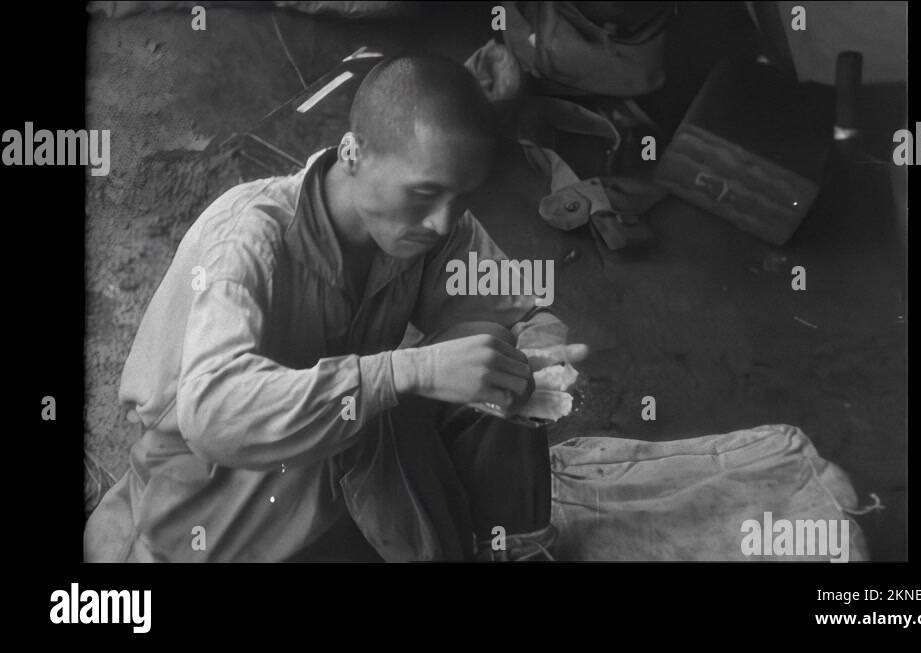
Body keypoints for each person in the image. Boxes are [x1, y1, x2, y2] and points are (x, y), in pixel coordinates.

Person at [83, 53, 587, 562]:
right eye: (425, 194)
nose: (441, 221)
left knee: (494, 351)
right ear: (352, 153)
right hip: (215, 475)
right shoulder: (247, 240)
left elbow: (520, 311)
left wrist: (539, 344)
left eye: (461, 198)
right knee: (394, 397)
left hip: (334, 442)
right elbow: (213, 418)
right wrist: (404, 371)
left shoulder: (437, 224)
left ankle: (510, 545)